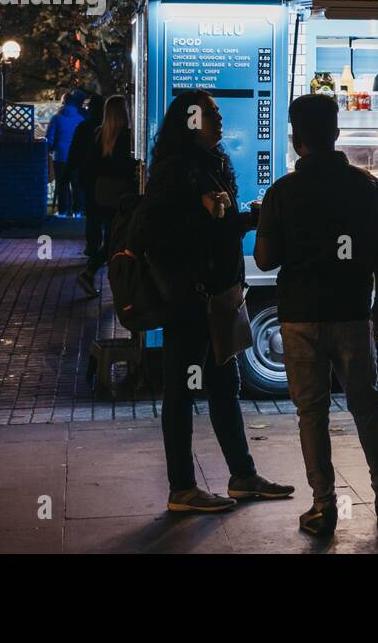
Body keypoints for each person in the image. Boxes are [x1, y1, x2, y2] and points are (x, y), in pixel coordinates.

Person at [130, 90, 294, 513]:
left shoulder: (215, 161)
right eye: (211, 114)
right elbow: (152, 236)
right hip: (190, 300)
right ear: (190, 121)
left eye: (219, 113)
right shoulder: (173, 169)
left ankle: (243, 476)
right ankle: (182, 488)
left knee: (226, 386)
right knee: (182, 393)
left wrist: (247, 218)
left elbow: (219, 229)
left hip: (221, 294)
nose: (219, 119)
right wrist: (202, 213)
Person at [254, 93, 378, 539]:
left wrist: (267, 224)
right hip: (352, 313)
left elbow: (264, 260)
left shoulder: (281, 192)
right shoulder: (367, 186)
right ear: (336, 133)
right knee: (367, 406)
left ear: (296, 139)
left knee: (311, 412)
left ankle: (324, 508)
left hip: (299, 317)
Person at [76, 95, 137, 296]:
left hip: (101, 191)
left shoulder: (100, 134)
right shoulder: (128, 136)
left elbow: (89, 166)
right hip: (120, 193)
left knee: (112, 236)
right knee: (117, 239)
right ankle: (94, 274)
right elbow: (128, 168)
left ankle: (98, 275)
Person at [68, 95, 106, 260]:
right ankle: (105, 248)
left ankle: (93, 246)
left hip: (89, 176)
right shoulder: (109, 128)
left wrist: (68, 173)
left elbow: (74, 152)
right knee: (106, 214)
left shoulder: (83, 127)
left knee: (92, 214)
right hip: (106, 177)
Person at [46, 90, 87, 217]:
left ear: (63, 102)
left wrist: (50, 149)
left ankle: (63, 210)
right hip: (76, 156)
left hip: (60, 155)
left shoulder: (56, 118)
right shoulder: (80, 118)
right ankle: (78, 211)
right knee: (76, 184)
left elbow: (50, 137)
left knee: (62, 183)